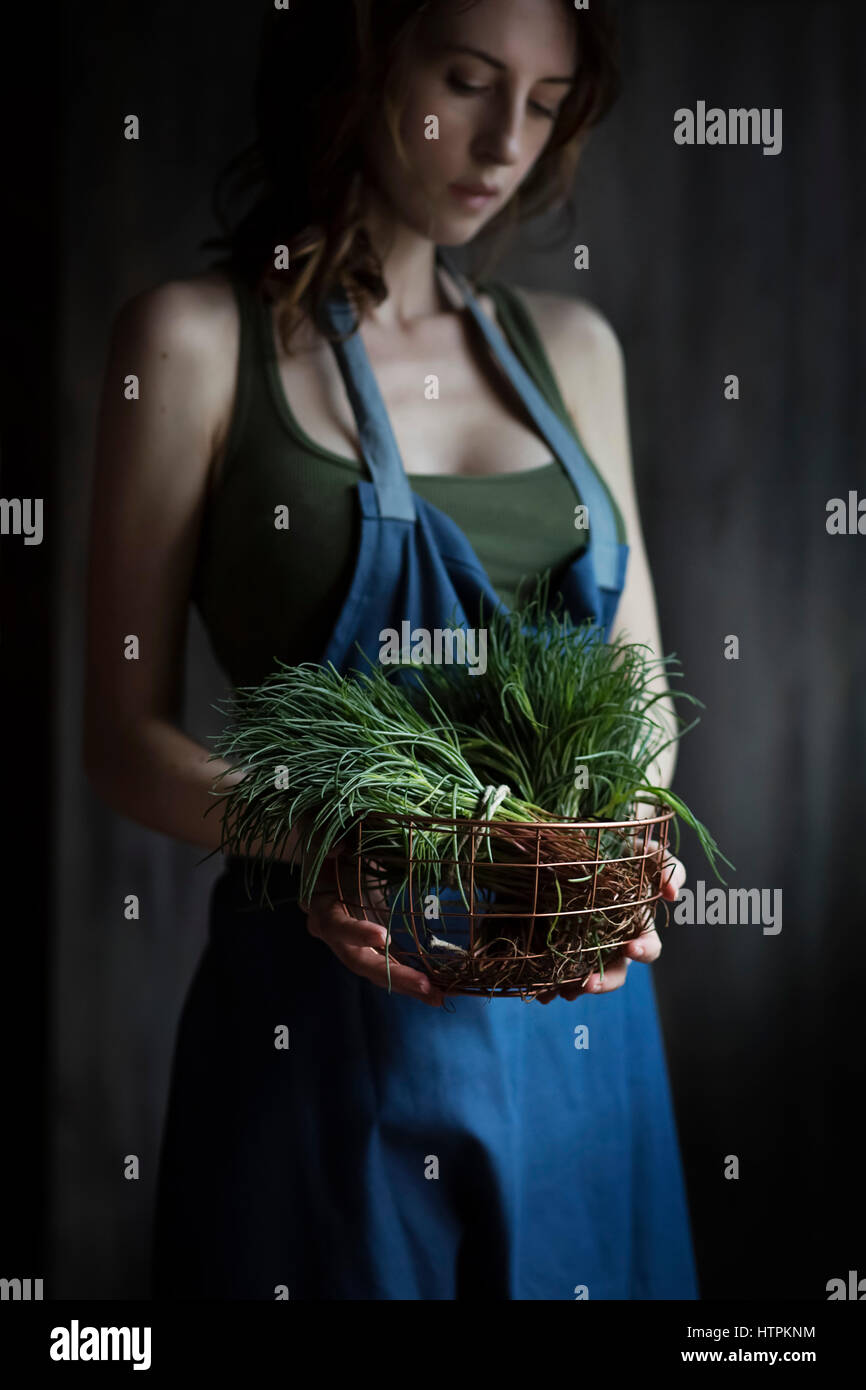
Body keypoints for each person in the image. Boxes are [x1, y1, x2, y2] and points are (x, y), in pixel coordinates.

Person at [84, 0, 698, 1299]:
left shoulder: (571, 351)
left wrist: (616, 840)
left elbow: (643, 695)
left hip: (578, 1019)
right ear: (358, 66)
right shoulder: (192, 344)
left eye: (541, 104)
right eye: (467, 80)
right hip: (316, 1027)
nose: (502, 142)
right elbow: (119, 739)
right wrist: (341, 835)